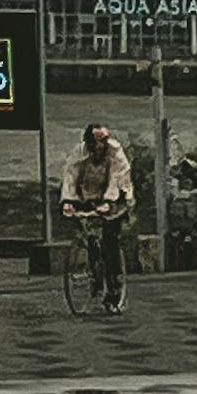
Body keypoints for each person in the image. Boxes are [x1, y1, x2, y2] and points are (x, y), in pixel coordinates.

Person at [61, 121, 134, 312]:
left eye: (104, 140)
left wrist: (109, 201)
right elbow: (71, 175)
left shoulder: (115, 151)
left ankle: (114, 290)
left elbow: (118, 176)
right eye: (98, 141)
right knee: (91, 238)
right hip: (90, 196)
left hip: (115, 198)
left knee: (110, 241)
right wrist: (68, 200)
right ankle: (95, 278)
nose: (102, 145)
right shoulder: (80, 152)